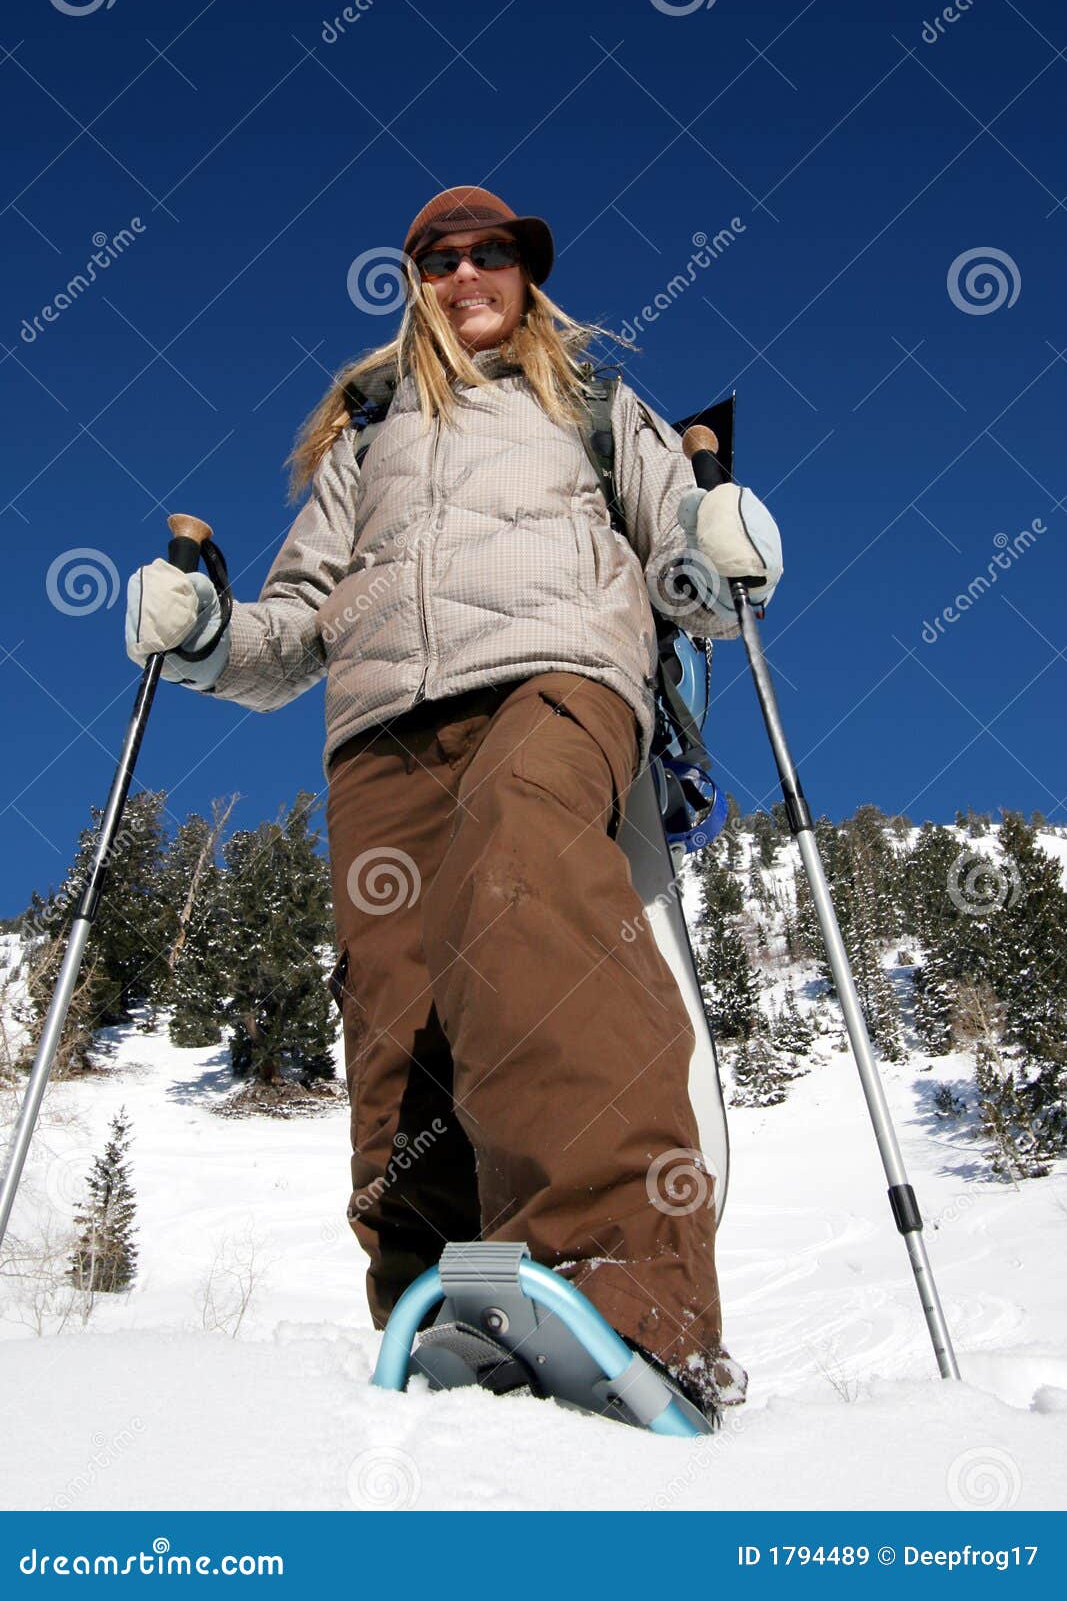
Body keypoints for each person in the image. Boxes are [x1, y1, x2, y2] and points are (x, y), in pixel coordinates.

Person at [125, 185, 782, 1422]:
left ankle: (628, 1287)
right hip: (379, 728)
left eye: (491, 253)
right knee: (397, 1004)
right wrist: (206, 634)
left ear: (526, 274)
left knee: (518, 872)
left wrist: (717, 551)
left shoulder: (589, 398)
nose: (467, 274)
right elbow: (295, 624)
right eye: (440, 259)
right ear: (413, 283)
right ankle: (439, 1309)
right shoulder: (366, 435)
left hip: (555, 669)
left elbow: (678, 555)